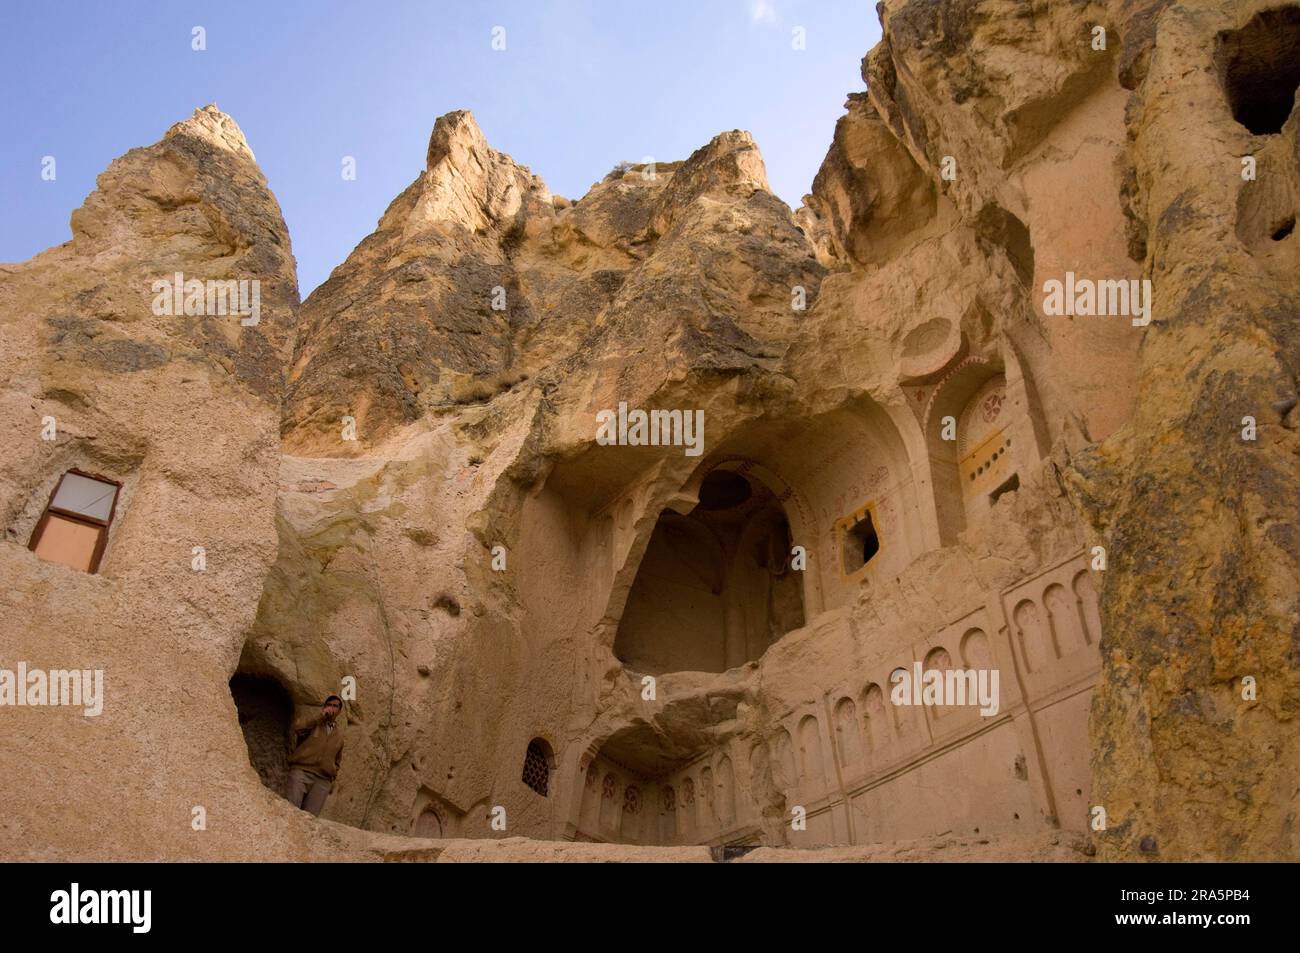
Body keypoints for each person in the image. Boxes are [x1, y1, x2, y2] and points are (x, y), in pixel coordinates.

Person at [284, 695, 345, 816]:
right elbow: (298, 728)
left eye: (335, 706)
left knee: (310, 819)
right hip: (301, 772)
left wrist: (332, 775)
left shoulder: (339, 735)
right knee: (290, 812)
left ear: (339, 711)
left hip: (322, 780)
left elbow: (337, 760)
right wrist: (319, 716)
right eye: (329, 705)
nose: (331, 708)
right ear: (324, 707)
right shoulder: (314, 722)